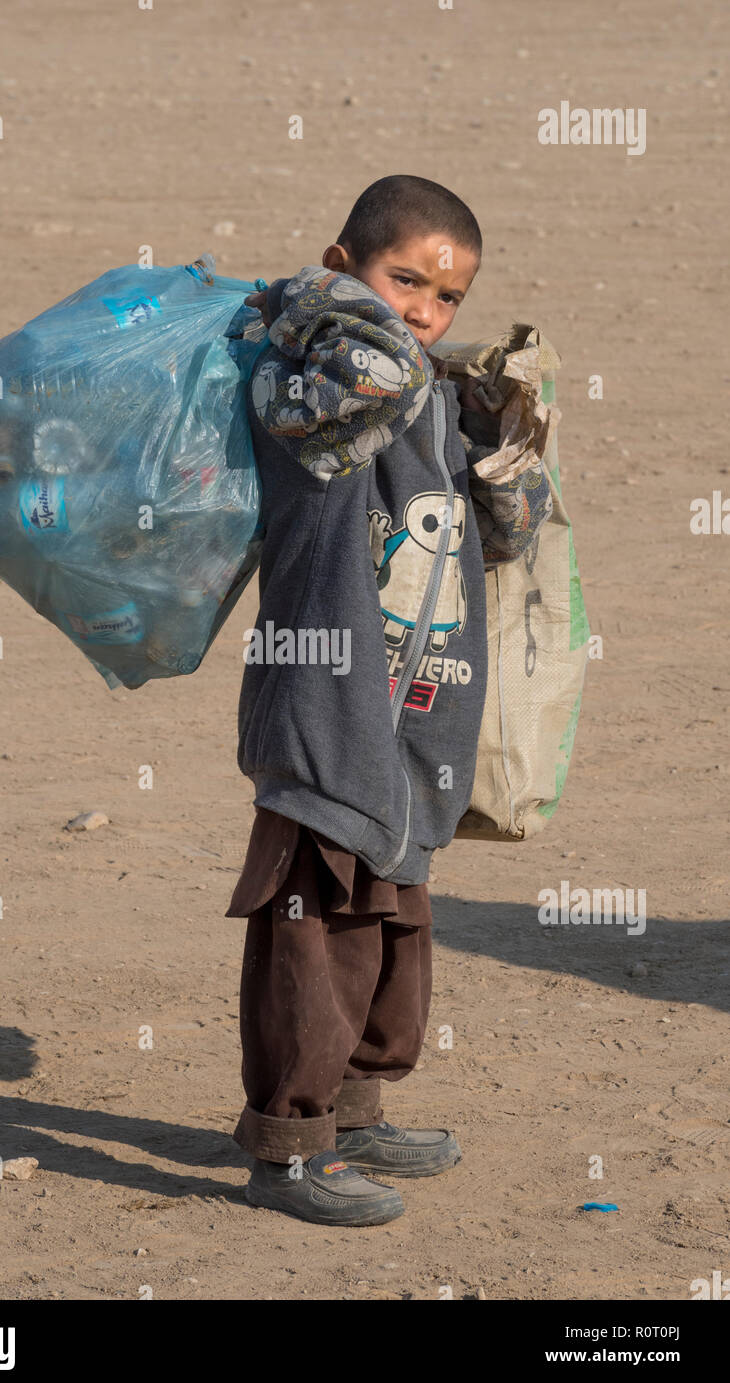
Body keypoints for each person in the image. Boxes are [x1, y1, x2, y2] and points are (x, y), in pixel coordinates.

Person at [224, 174, 553, 1225]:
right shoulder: (308, 372)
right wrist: (341, 324)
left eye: (444, 296)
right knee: (310, 931)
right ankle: (287, 1144)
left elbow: (500, 536)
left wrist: (502, 444)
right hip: (324, 704)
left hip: (412, 719)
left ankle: (354, 1110)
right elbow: (331, 400)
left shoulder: (427, 393)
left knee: (389, 929)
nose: (421, 310)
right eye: (399, 279)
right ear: (340, 269)